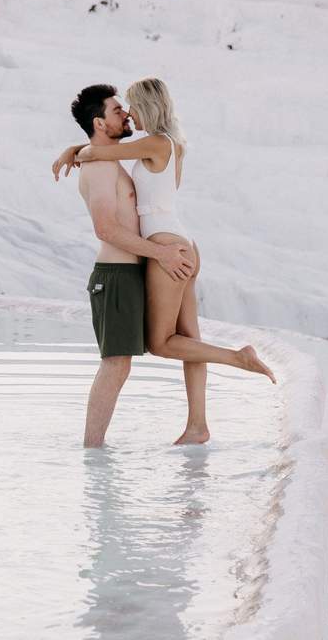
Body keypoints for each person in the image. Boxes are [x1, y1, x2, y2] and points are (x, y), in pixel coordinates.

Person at [55, 82, 275, 448]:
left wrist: (74, 150)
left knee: (163, 344)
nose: (128, 114)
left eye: (131, 108)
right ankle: (197, 426)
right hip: (179, 242)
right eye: (119, 111)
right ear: (100, 121)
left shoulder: (155, 143)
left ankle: (238, 358)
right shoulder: (163, 145)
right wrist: (77, 150)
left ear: (148, 106)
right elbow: (102, 153)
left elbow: (101, 153)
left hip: (166, 246)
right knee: (188, 340)